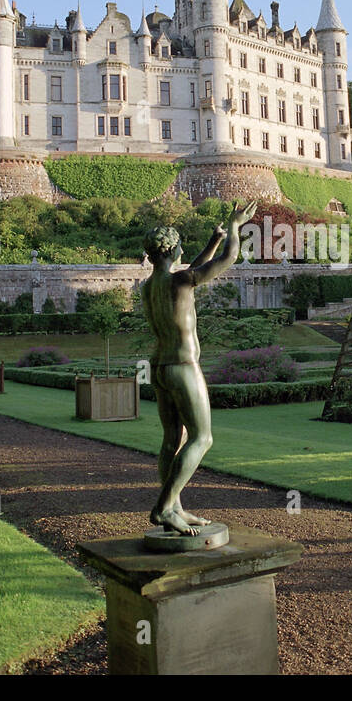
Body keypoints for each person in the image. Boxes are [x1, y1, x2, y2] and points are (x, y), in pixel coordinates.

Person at [142, 199, 257, 535]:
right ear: (174, 249)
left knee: (170, 441)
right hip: (183, 365)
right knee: (202, 438)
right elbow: (228, 260)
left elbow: (191, 272)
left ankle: (176, 508)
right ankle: (164, 508)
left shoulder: (150, 287)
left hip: (160, 366)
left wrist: (214, 239)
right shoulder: (180, 281)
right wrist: (234, 227)